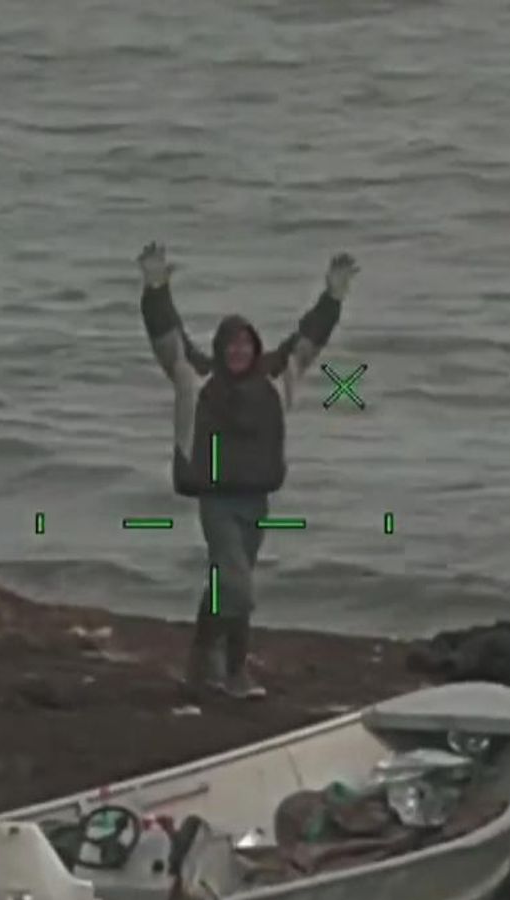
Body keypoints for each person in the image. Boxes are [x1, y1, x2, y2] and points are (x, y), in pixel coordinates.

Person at [137, 241, 359, 699]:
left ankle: (209, 666)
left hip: (256, 500)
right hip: (216, 501)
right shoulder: (196, 378)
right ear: (220, 349)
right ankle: (233, 670)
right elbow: (167, 339)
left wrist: (332, 297)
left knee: (224, 581)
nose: (238, 351)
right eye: (231, 345)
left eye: (245, 344)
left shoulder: (276, 378)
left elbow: (308, 339)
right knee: (237, 585)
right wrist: (156, 288)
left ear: (255, 348)